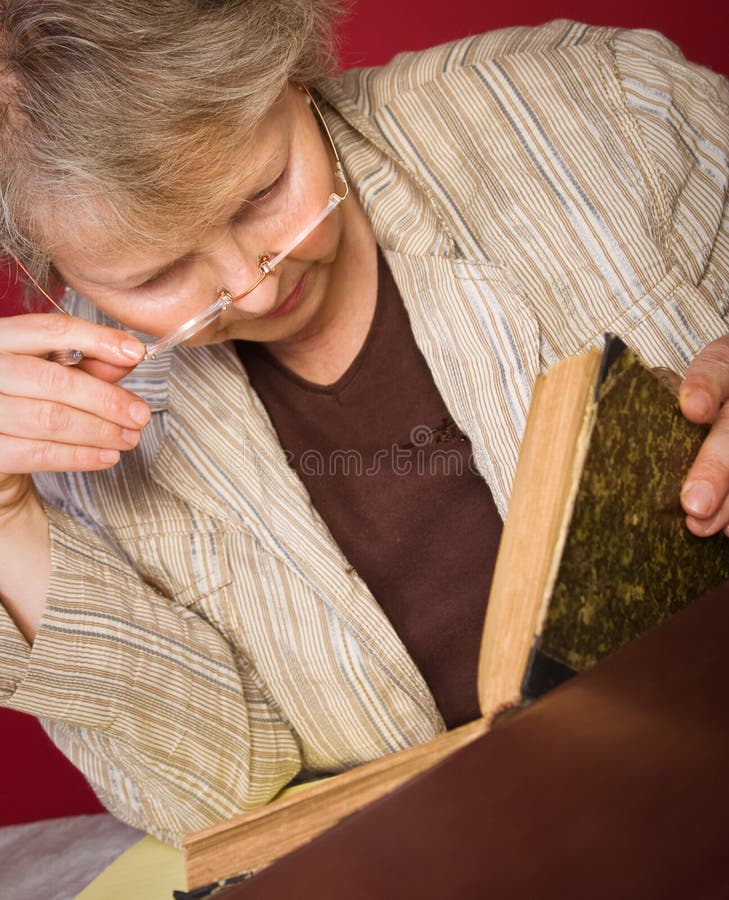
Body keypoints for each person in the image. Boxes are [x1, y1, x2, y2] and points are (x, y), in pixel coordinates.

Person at [0, 1, 728, 847]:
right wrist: (10, 525)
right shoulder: (63, 421)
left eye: (263, 192)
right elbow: (219, 803)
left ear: (293, 71)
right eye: (157, 273)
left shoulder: (608, 109)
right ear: (49, 267)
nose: (258, 288)